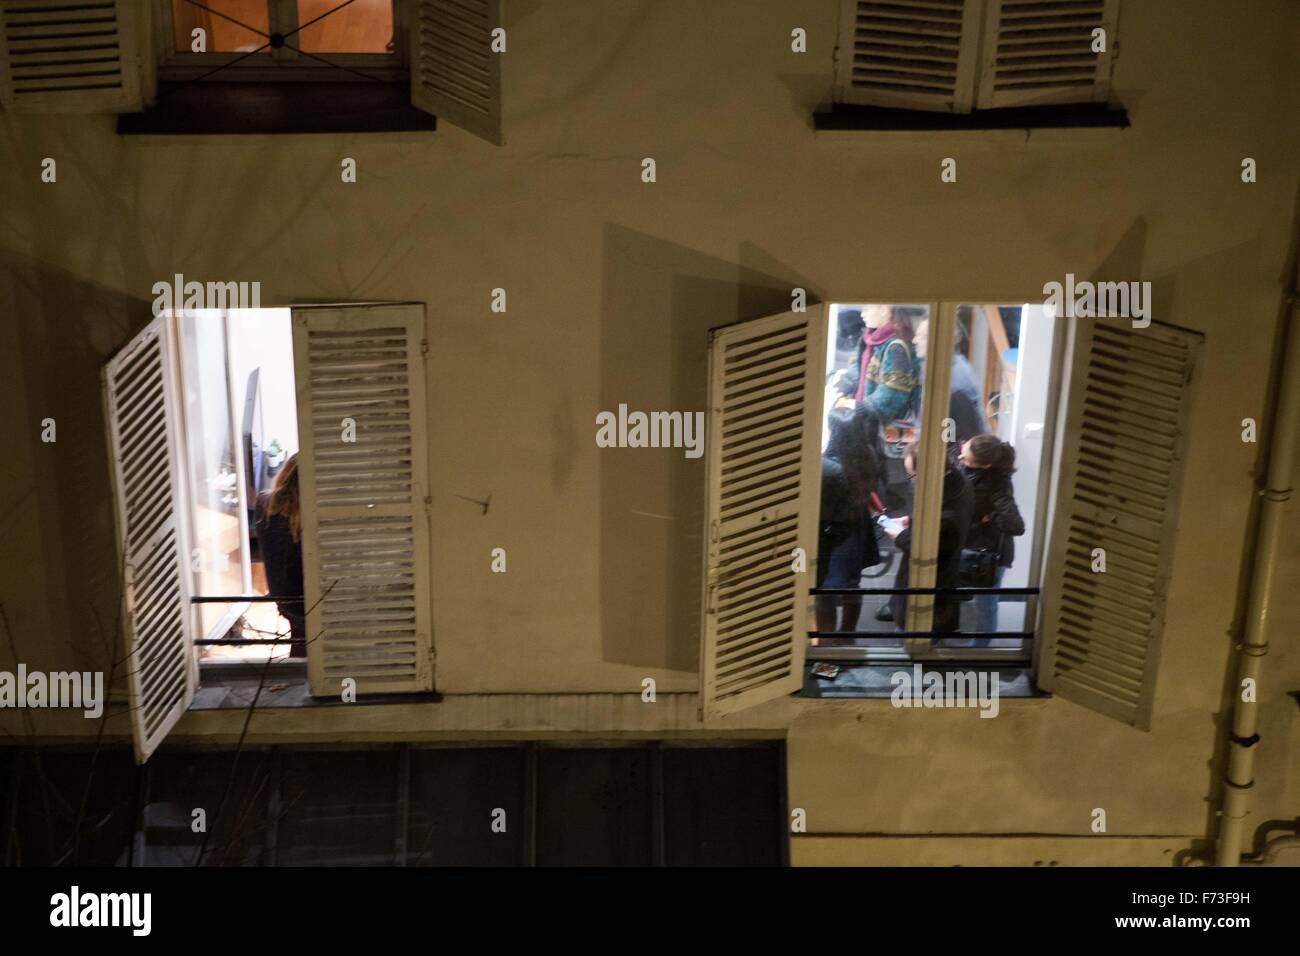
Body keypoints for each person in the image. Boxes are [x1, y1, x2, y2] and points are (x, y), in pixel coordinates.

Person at [883, 441, 973, 635]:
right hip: (937, 578)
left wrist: (900, 535)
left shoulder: (950, 508)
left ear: (930, 471)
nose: (911, 480)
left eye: (912, 475)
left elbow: (930, 546)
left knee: (915, 637)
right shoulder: (954, 484)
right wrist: (911, 520)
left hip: (932, 583)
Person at [815, 406, 884, 633]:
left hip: (834, 533)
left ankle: (826, 643)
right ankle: (847, 635)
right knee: (852, 585)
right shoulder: (868, 455)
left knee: (825, 592)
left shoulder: (828, 467)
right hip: (858, 527)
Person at [952, 434, 1025, 643]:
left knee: (986, 604)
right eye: (963, 452)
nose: (960, 459)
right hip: (970, 546)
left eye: (965, 459)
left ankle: (980, 647)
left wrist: (988, 519)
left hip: (988, 553)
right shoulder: (970, 468)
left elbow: (1016, 525)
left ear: (985, 466)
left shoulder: (998, 484)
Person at [254, 453, 306, 658]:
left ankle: (298, 670)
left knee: (301, 638)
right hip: (308, 603)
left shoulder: (264, 503)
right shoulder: (312, 514)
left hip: (283, 598)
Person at [834, 304, 918, 423]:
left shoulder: (896, 347)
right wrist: (841, 388)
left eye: (866, 309)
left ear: (884, 310)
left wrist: (858, 406)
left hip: (883, 424)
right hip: (865, 417)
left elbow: (893, 394)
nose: (862, 315)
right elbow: (854, 369)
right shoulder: (867, 339)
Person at [913, 316, 987, 443]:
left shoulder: (953, 380)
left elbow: (951, 439)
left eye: (922, 337)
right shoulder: (940, 367)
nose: (915, 340)